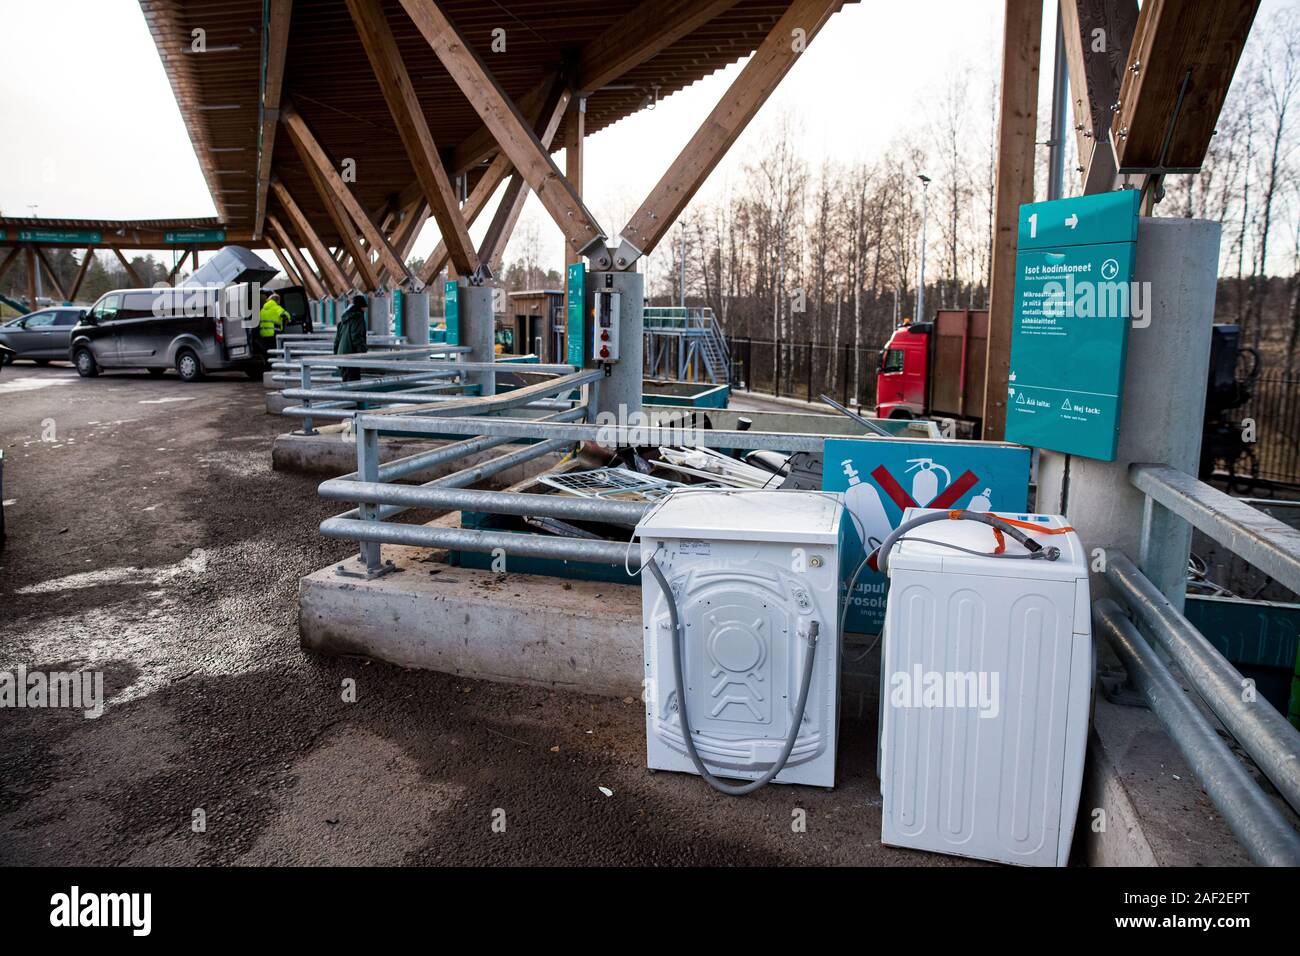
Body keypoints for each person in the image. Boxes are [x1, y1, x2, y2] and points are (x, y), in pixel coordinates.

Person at [334, 294, 368, 384]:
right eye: (365, 307)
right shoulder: (358, 317)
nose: (365, 309)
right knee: (354, 384)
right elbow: (356, 337)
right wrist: (363, 352)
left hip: (342, 354)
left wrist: (336, 354)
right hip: (351, 354)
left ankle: (346, 398)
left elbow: (337, 339)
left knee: (346, 383)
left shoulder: (344, 318)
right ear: (361, 307)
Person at [256, 292, 289, 367]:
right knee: (276, 352)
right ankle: (277, 366)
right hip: (274, 333)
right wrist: (287, 319)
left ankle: (268, 366)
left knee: (267, 352)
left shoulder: (262, 310)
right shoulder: (276, 308)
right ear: (276, 301)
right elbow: (286, 315)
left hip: (264, 334)